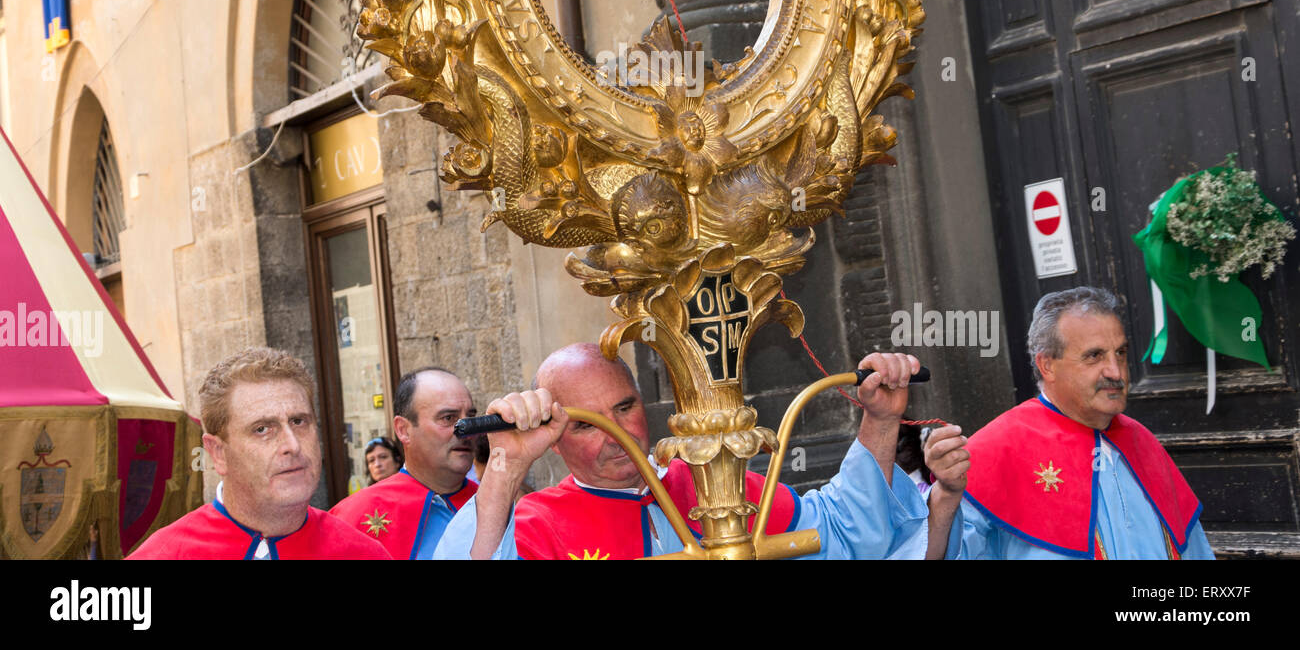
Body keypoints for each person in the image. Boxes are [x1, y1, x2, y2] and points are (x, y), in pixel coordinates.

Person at [435, 343, 949, 560]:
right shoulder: (538, 525)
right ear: (555, 435)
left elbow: (846, 534)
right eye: (589, 423)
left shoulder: (707, 484)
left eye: (625, 407)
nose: (618, 435)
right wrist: (506, 467)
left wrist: (880, 421)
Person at [925, 285, 1214, 559]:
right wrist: (946, 494)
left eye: (1121, 353)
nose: (1116, 372)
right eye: (1094, 356)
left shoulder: (1141, 440)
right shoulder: (995, 448)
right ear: (1047, 365)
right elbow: (938, 552)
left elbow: (1193, 548)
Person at [129, 347, 389, 560]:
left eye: (299, 422)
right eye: (262, 429)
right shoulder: (161, 557)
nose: (292, 445)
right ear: (218, 453)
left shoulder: (364, 554)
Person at [330, 367, 478, 559]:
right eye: (448, 418)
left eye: (471, 417)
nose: (466, 430)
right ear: (403, 430)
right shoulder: (351, 518)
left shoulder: (496, 507)